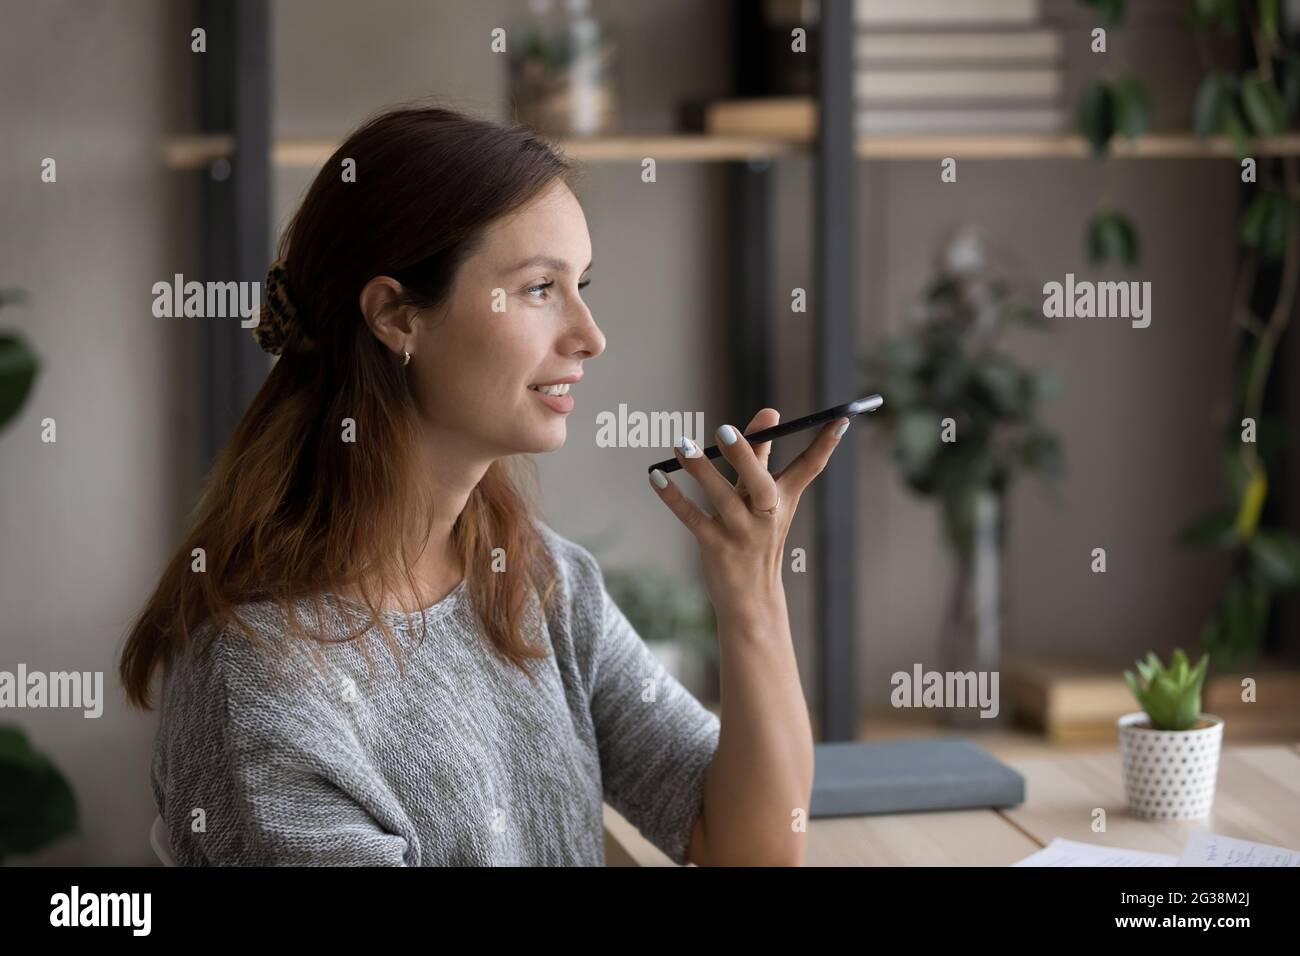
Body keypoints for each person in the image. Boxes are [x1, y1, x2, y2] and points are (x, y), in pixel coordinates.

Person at [119, 104, 849, 866]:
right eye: (539, 289)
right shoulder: (264, 683)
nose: (590, 335)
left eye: (582, 284)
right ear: (396, 315)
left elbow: (753, 848)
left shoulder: (540, 580)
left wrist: (752, 591)